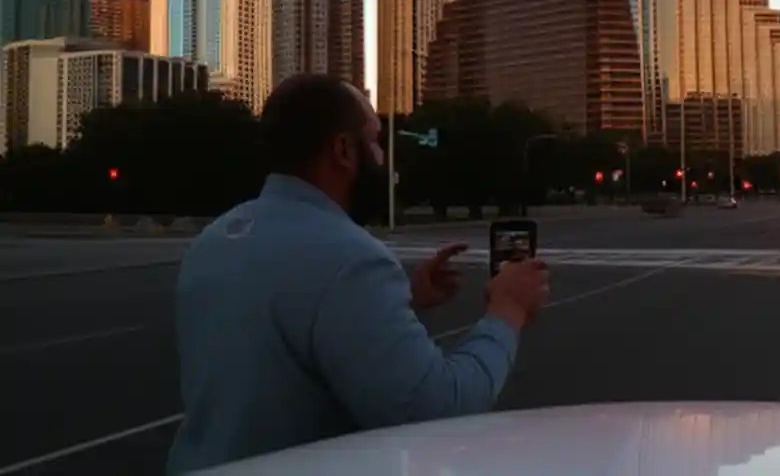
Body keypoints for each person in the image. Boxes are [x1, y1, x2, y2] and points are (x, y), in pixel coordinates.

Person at [168, 74, 550, 474]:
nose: (382, 157)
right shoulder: (350, 259)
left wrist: (405, 302)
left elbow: (286, 345)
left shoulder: (213, 240)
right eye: (376, 140)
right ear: (344, 150)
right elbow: (439, 407)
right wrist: (508, 310)